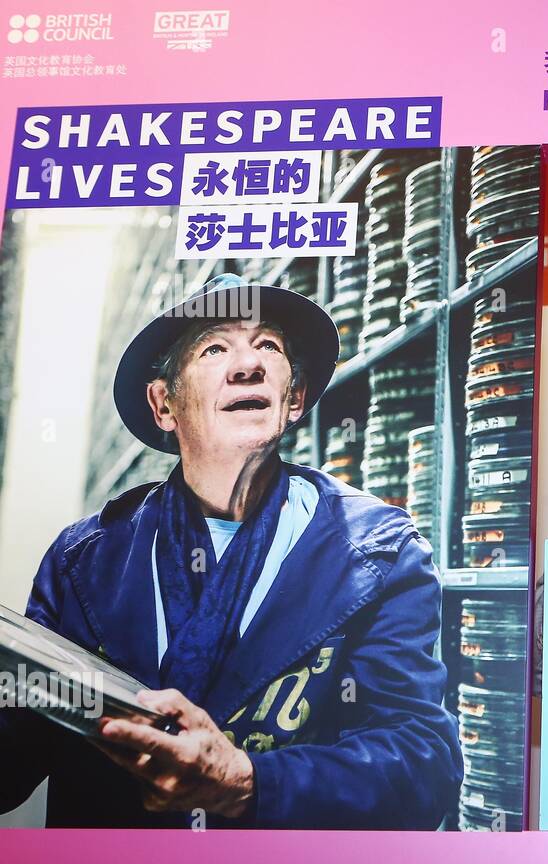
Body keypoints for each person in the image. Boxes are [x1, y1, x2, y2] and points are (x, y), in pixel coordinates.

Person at [0, 274, 462, 829]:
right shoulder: (85, 560)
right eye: (215, 348)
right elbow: (17, 757)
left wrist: (246, 782)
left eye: (268, 346)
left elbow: (421, 762)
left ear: (293, 398)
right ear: (164, 404)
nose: (248, 365)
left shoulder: (379, 552)